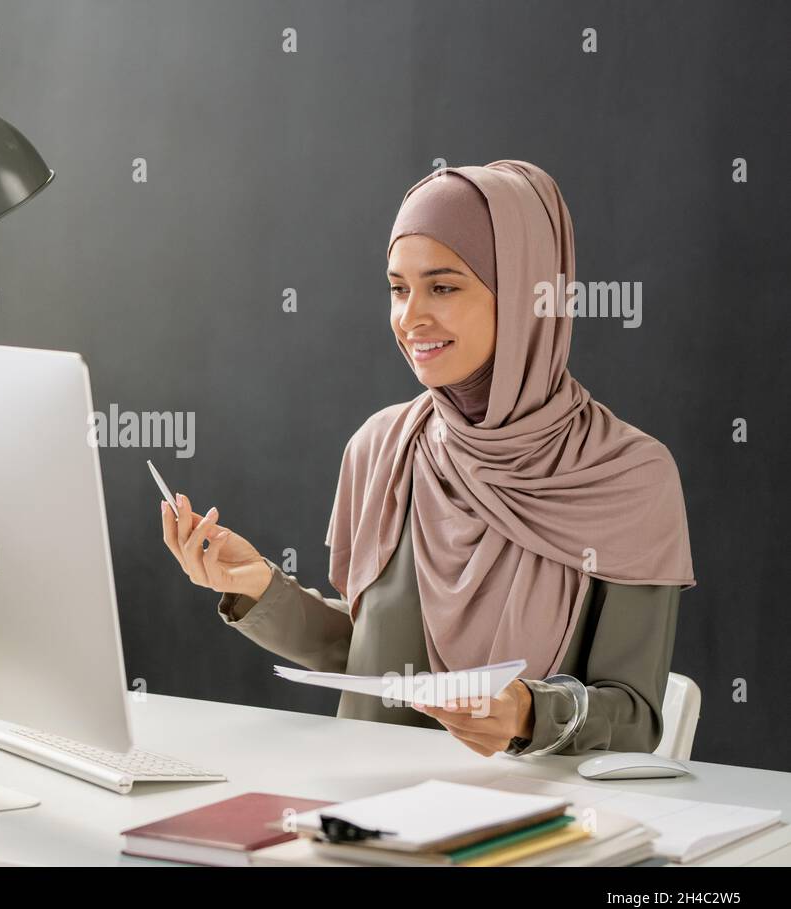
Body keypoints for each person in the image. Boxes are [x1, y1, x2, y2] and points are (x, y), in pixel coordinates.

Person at [159, 160, 696, 757]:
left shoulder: (625, 475)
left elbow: (635, 715)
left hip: (530, 828)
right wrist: (259, 587)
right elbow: (365, 658)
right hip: (365, 819)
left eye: (443, 286)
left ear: (523, 293)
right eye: (397, 288)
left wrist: (530, 711)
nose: (410, 317)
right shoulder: (383, 447)